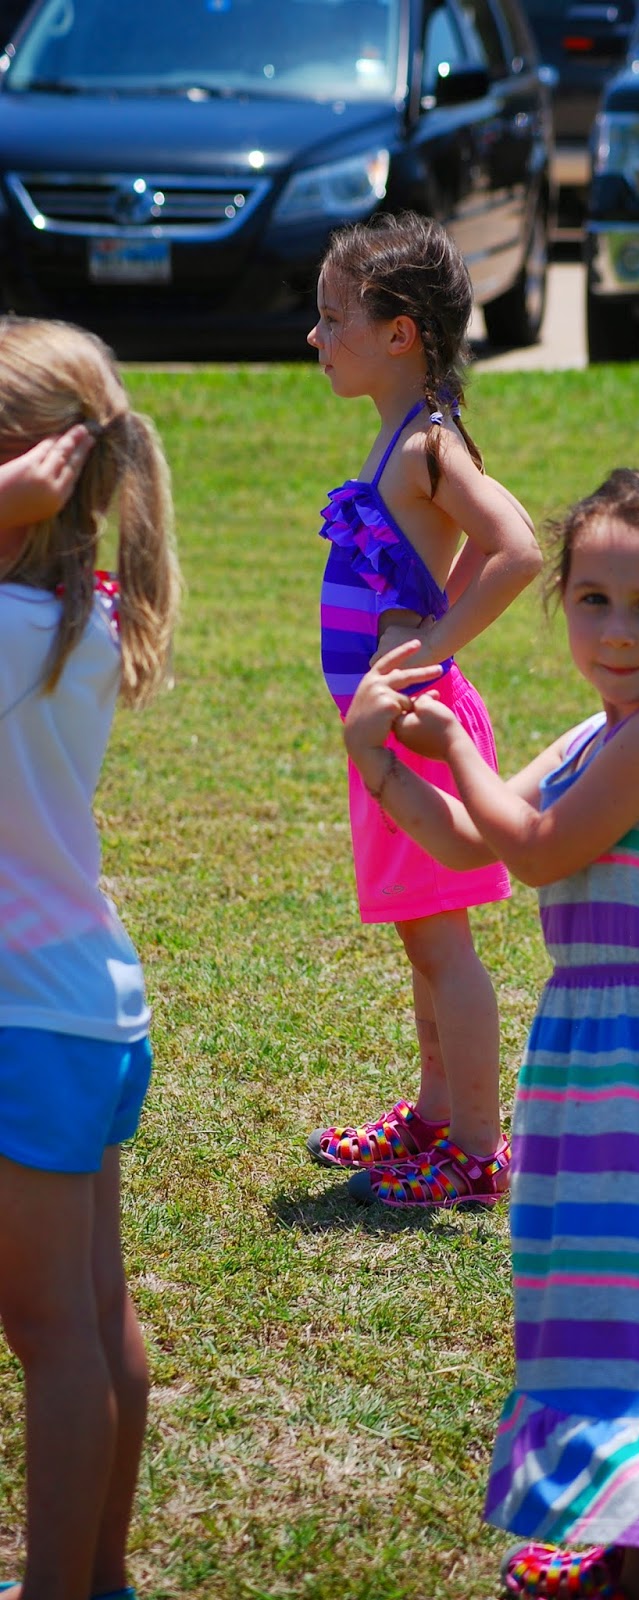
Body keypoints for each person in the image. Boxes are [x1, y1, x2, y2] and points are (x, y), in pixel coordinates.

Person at [342, 465, 639, 1597]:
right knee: (602, 1296)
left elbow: (540, 848)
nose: (617, 629)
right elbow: (471, 844)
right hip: (595, 1057)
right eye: (595, 599)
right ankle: (634, 1544)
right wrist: (379, 757)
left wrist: (448, 741)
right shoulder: (597, 731)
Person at [304, 210, 541, 1207]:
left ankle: (479, 1150)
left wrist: (428, 652)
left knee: (444, 944)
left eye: (332, 318)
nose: (315, 338)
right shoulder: (398, 433)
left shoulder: (430, 444)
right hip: (385, 730)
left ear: (399, 331)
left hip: (418, 728)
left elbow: (519, 547)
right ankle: (436, 1114)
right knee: (420, 935)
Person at [0, 315, 181, 1600]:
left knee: (52, 1338)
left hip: (27, 1026)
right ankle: (96, 1580)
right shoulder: (75, 609)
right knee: (95, 1325)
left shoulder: (10, 630)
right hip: (86, 1009)